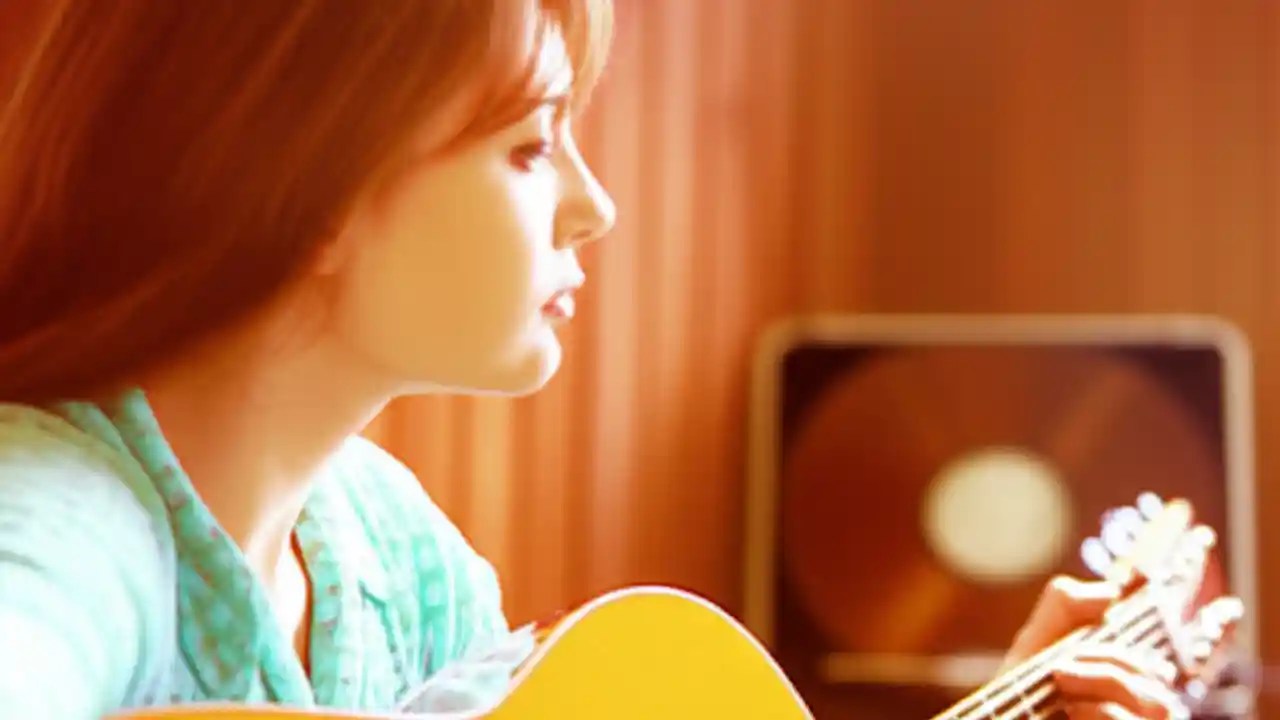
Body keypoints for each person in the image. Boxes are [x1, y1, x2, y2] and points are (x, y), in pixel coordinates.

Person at [0, 1, 1209, 718]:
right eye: (531, 147)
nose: (596, 207)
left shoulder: (385, 554)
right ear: (303, 182)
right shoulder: (60, 521)